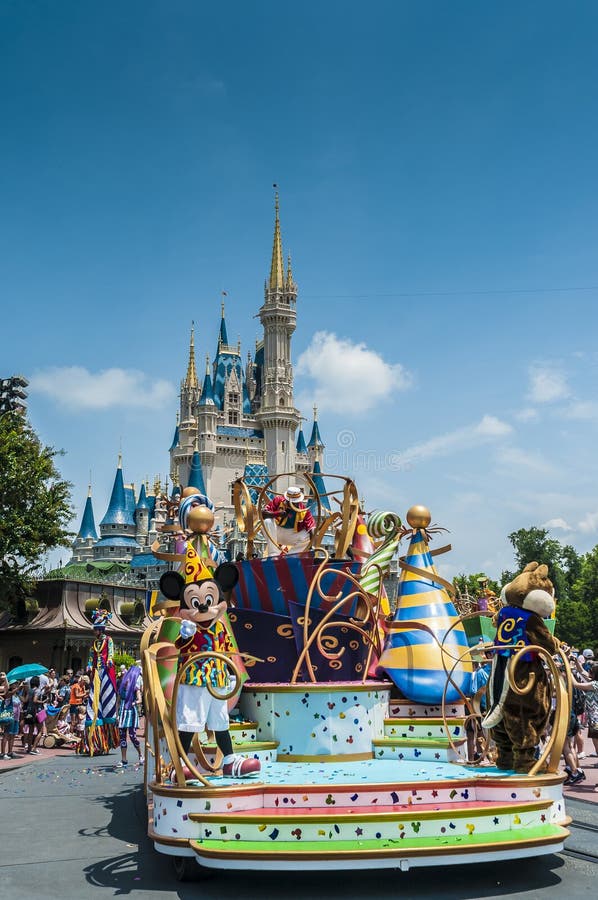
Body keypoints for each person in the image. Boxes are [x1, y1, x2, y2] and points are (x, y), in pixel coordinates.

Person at [81, 610, 119, 755]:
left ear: (101, 629)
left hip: (107, 673)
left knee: (108, 703)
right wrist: (89, 665)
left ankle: (108, 740)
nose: (94, 631)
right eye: (94, 629)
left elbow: (110, 652)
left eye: (96, 629)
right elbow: (92, 656)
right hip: (96, 674)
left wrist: (110, 660)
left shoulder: (108, 640)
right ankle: (94, 741)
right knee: (93, 703)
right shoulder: (94, 642)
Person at [262, 485, 315, 557]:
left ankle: (291, 556)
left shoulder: (304, 511)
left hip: (291, 535)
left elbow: (311, 528)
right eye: (291, 502)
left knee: (307, 535)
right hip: (276, 532)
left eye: (295, 502)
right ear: (286, 500)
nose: (293, 504)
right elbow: (263, 514)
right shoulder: (278, 500)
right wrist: (278, 514)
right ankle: (273, 554)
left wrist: (311, 547)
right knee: (267, 521)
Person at [116, 664, 143, 767]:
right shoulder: (121, 689)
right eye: (123, 677)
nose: (125, 678)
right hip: (122, 713)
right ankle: (124, 759)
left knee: (132, 736)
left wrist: (134, 703)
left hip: (131, 712)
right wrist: (117, 715)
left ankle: (140, 755)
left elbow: (140, 699)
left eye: (126, 676)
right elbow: (117, 702)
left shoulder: (135, 688)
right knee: (122, 737)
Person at [0, 674, 21, 759]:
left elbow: (24, 700)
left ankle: (10, 752)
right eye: (15, 683)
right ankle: (2, 753)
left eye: (17, 683)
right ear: (11, 685)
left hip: (16, 717)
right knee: (6, 734)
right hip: (9, 716)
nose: (16, 684)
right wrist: (19, 687)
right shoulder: (8, 694)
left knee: (12, 735)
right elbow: (10, 693)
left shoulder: (17, 695)